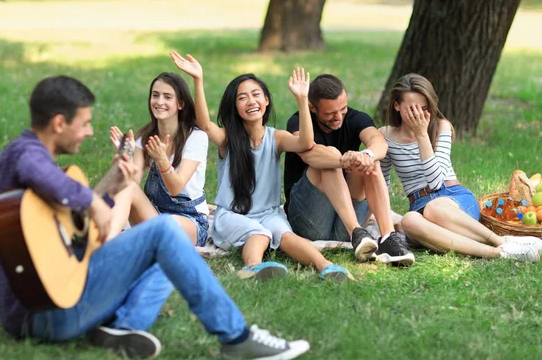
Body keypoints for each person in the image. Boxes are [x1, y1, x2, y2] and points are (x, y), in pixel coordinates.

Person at [0, 75, 311, 360]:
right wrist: (94, 206)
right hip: (46, 313)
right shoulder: (25, 154)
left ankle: (124, 328)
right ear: (58, 124)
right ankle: (238, 338)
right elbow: (47, 178)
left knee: (170, 252)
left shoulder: (33, 159)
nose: (89, 131)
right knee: (165, 231)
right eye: (84, 123)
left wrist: (115, 178)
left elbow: (69, 216)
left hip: (60, 297)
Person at [171, 51, 350, 282]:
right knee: (260, 233)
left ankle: (327, 267)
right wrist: (198, 79)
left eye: (256, 94)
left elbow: (306, 142)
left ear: (266, 100)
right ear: (235, 107)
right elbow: (205, 124)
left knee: (285, 234)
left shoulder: (275, 138)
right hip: (233, 216)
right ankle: (254, 267)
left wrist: (302, 100)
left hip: (269, 213)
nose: (251, 101)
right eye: (242, 98)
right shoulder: (228, 139)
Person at [379, 73, 541, 262]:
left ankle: (500, 241)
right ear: (396, 105)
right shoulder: (385, 135)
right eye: (412, 109)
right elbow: (380, 184)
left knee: (434, 208)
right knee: (409, 220)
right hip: (420, 208)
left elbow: (436, 182)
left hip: (454, 199)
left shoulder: (441, 127)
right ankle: (498, 252)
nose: (418, 116)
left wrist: (422, 135)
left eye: (423, 109)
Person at [284, 74, 415, 266]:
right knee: (328, 158)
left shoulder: (356, 118)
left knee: (371, 163)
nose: (338, 117)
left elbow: (378, 142)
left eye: (342, 109)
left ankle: (387, 238)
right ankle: (356, 233)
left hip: (343, 221)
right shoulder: (298, 122)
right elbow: (309, 155)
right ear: (312, 108)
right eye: (330, 113)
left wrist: (366, 156)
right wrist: (342, 160)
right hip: (308, 220)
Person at [109, 72, 209, 246]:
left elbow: (176, 188)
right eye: (155, 95)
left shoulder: (196, 137)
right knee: (129, 189)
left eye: (167, 97)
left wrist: (162, 160)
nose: (159, 102)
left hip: (190, 220)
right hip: (153, 214)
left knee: (164, 225)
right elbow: (132, 184)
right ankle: (105, 243)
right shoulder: (145, 137)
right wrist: (126, 156)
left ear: (180, 103)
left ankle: (122, 241)